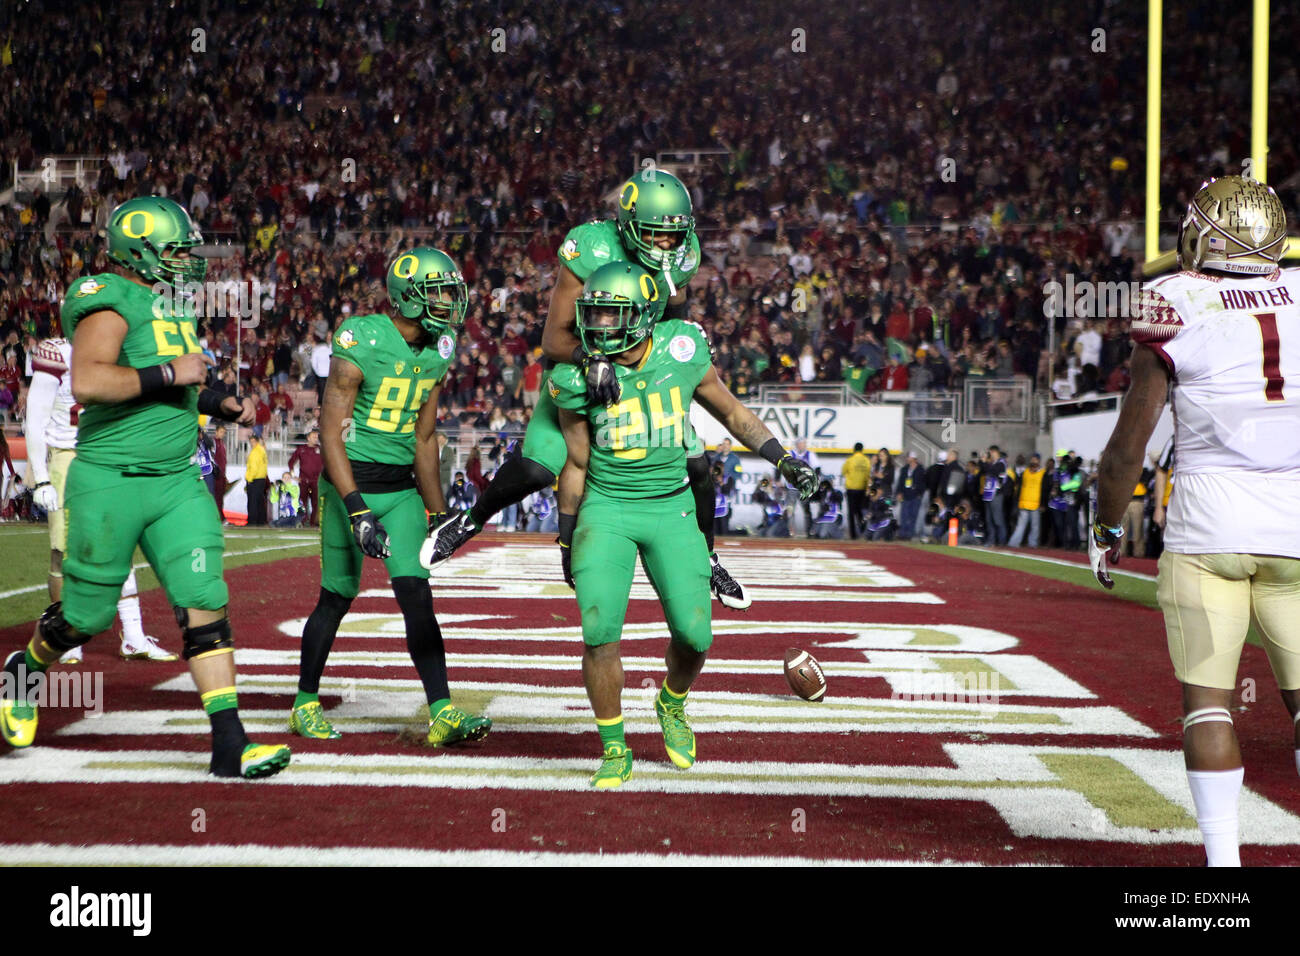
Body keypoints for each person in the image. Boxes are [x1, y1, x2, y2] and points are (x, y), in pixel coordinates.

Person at [0, 196, 287, 778]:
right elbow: (91, 379)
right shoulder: (107, 297)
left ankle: (229, 745)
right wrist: (174, 373)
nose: (186, 262)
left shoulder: (166, 305)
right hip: (110, 479)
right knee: (87, 616)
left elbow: (173, 389)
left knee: (204, 599)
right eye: (176, 250)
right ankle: (22, 673)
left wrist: (215, 402)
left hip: (175, 479)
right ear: (141, 250)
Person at [1089, 175, 1300, 867]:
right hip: (1295, 531)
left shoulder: (1175, 300)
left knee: (1209, 705)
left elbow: (1127, 448)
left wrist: (1107, 528)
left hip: (1209, 528)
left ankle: (1223, 870)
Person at [424, 170, 753, 611]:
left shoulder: (681, 255)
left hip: (641, 374)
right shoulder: (592, 249)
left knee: (696, 463)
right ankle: (468, 520)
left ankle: (707, 557)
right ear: (628, 225)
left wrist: (681, 339)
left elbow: (673, 306)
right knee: (539, 469)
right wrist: (591, 359)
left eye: (674, 236)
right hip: (582, 366)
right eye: (655, 235)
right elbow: (554, 340)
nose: (666, 246)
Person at [551, 262, 816, 788]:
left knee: (695, 637)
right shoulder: (572, 376)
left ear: (645, 314)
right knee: (599, 631)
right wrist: (566, 534)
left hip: (672, 507)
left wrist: (782, 458)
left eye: (612, 311)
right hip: (608, 507)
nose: (599, 322)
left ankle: (671, 703)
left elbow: (732, 411)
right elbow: (577, 462)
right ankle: (613, 747)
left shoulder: (683, 350)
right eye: (595, 310)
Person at [291, 247, 490, 746]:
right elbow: (330, 433)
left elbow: (425, 438)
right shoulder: (362, 338)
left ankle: (442, 711)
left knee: (417, 598)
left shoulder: (440, 346)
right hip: (349, 485)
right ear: (407, 296)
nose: (448, 300)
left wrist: (440, 511)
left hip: (401, 490)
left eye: (450, 290)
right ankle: (304, 702)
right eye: (438, 290)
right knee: (336, 597)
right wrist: (355, 508)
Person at [23, 333, 176, 662]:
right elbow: (34, 416)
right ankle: (64, 637)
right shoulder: (58, 351)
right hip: (68, 455)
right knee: (62, 551)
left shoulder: (119, 346)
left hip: (109, 455)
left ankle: (133, 636)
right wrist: (41, 477)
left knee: (120, 544)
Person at [1007, 452, 1046, 547]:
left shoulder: (1042, 473)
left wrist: (1043, 503)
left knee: (1035, 526)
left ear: (1039, 461)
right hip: (1023, 502)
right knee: (1021, 525)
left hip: (1036, 503)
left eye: (1035, 459)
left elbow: (1044, 489)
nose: (1033, 461)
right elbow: (1019, 487)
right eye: (1032, 459)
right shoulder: (1025, 472)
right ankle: (1014, 543)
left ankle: (1033, 544)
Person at [288, 428, 323, 526]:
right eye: (313, 436)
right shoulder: (301, 449)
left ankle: (313, 522)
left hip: (316, 481)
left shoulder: (320, 449)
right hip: (304, 480)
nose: (316, 439)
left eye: (317, 437)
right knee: (303, 502)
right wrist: (293, 475)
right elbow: (291, 462)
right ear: (308, 438)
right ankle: (303, 521)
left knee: (315, 503)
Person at [894, 451, 926, 540]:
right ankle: (902, 533)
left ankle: (910, 534)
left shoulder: (921, 470)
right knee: (904, 515)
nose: (907, 459)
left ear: (913, 458)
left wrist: (919, 493)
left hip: (915, 496)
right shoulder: (904, 469)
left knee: (913, 515)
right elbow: (900, 482)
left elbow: (923, 483)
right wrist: (899, 492)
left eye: (908, 457)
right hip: (905, 494)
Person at [842, 442, 871, 538]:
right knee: (859, 511)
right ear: (862, 450)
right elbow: (868, 474)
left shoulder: (850, 460)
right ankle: (862, 528)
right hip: (862, 489)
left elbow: (843, 472)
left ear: (854, 449)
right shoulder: (866, 460)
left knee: (851, 512)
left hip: (851, 489)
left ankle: (853, 534)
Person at [245, 427, 269, 526]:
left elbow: (253, 468)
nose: (252, 443)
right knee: (259, 501)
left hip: (254, 479)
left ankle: (252, 521)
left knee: (253, 501)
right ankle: (261, 520)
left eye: (253, 441)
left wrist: (249, 479)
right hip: (261, 479)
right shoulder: (262, 451)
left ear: (256, 441)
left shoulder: (255, 453)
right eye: (251, 441)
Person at [211, 423, 228, 519]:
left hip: (221, 475)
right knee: (215, 497)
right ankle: (216, 517)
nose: (222, 434)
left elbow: (224, 460)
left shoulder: (222, 444)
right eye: (221, 432)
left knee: (220, 498)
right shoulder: (213, 443)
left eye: (224, 433)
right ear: (216, 432)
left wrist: (224, 474)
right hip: (215, 475)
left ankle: (220, 516)